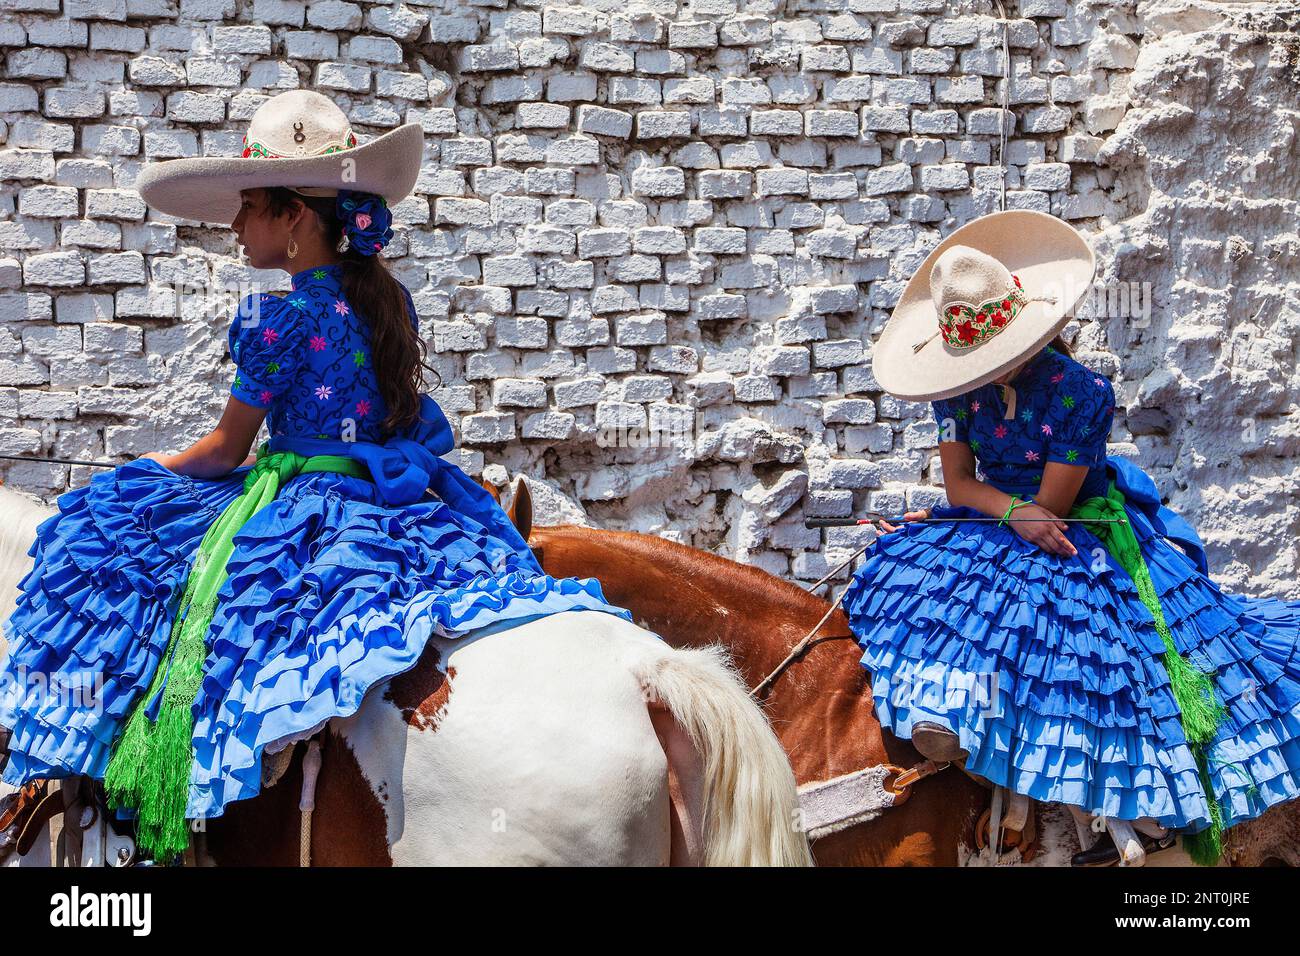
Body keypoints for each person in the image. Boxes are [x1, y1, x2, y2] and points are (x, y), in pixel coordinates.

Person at [0, 89, 633, 862]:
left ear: (295, 218)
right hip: (393, 499)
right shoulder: (385, 301)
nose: (235, 226)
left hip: (305, 501)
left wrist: (131, 475)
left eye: (249, 207)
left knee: (136, 564)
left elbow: (224, 454)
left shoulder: (280, 319)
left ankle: (146, 807)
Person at [840, 209, 1300, 866]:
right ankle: (969, 764)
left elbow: (1052, 511)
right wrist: (1003, 513)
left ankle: (1125, 811)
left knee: (1085, 646)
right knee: (922, 594)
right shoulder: (956, 396)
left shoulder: (1081, 393)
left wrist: (1018, 516)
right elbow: (960, 486)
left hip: (1072, 528)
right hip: (1001, 520)